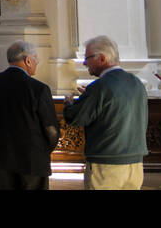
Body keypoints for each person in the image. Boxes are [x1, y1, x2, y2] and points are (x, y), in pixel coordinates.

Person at [63, 35, 148, 190]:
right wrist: (88, 98)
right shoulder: (137, 83)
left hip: (106, 164)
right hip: (135, 163)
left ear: (101, 58)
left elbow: (75, 118)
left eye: (87, 58)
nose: (84, 63)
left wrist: (69, 103)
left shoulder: (99, 87)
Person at [0, 40, 59, 190]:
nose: (37, 63)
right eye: (36, 59)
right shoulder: (39, 89)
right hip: (32, 159)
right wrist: (43, 149)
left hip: (2, 155)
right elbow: (51, 129)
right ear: (28, 60)